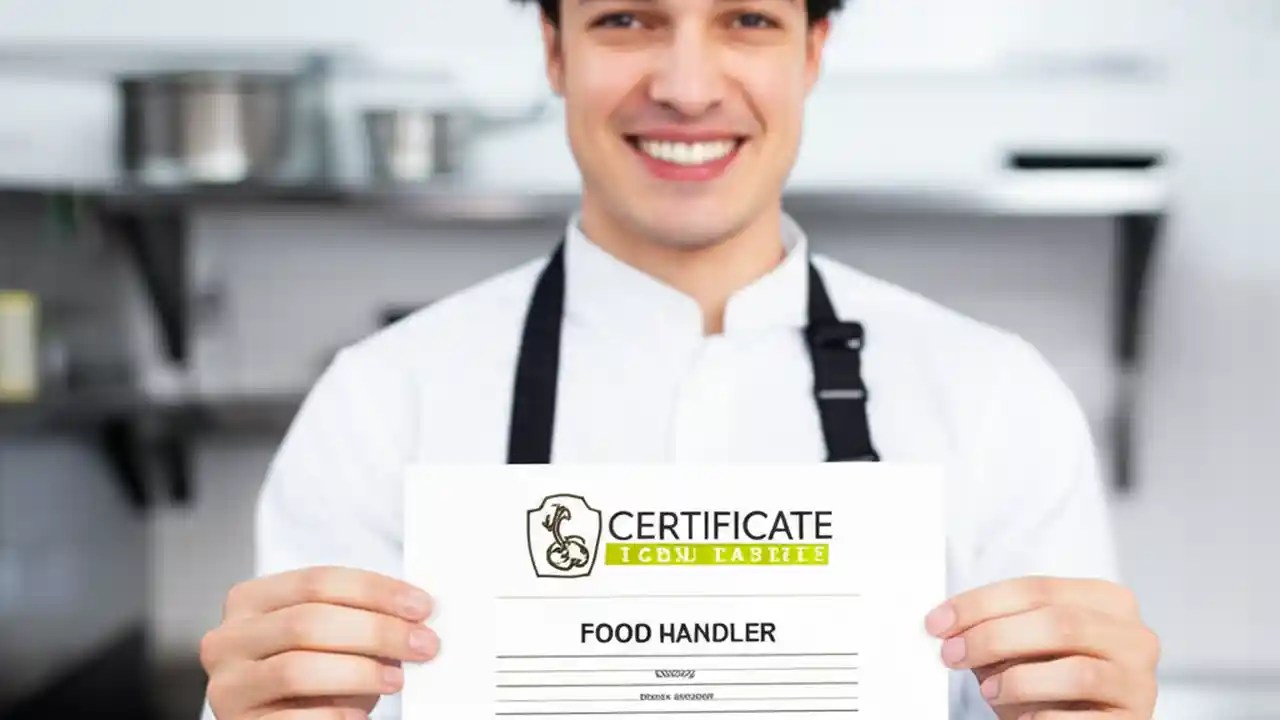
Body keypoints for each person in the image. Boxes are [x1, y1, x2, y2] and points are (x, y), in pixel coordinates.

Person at [198, 0, 1161, 718]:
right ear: (552, 49)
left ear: (813, 52)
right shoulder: (379, 400)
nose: (688, 87)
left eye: (746, 19)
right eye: (627, 19)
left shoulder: (996, 396)